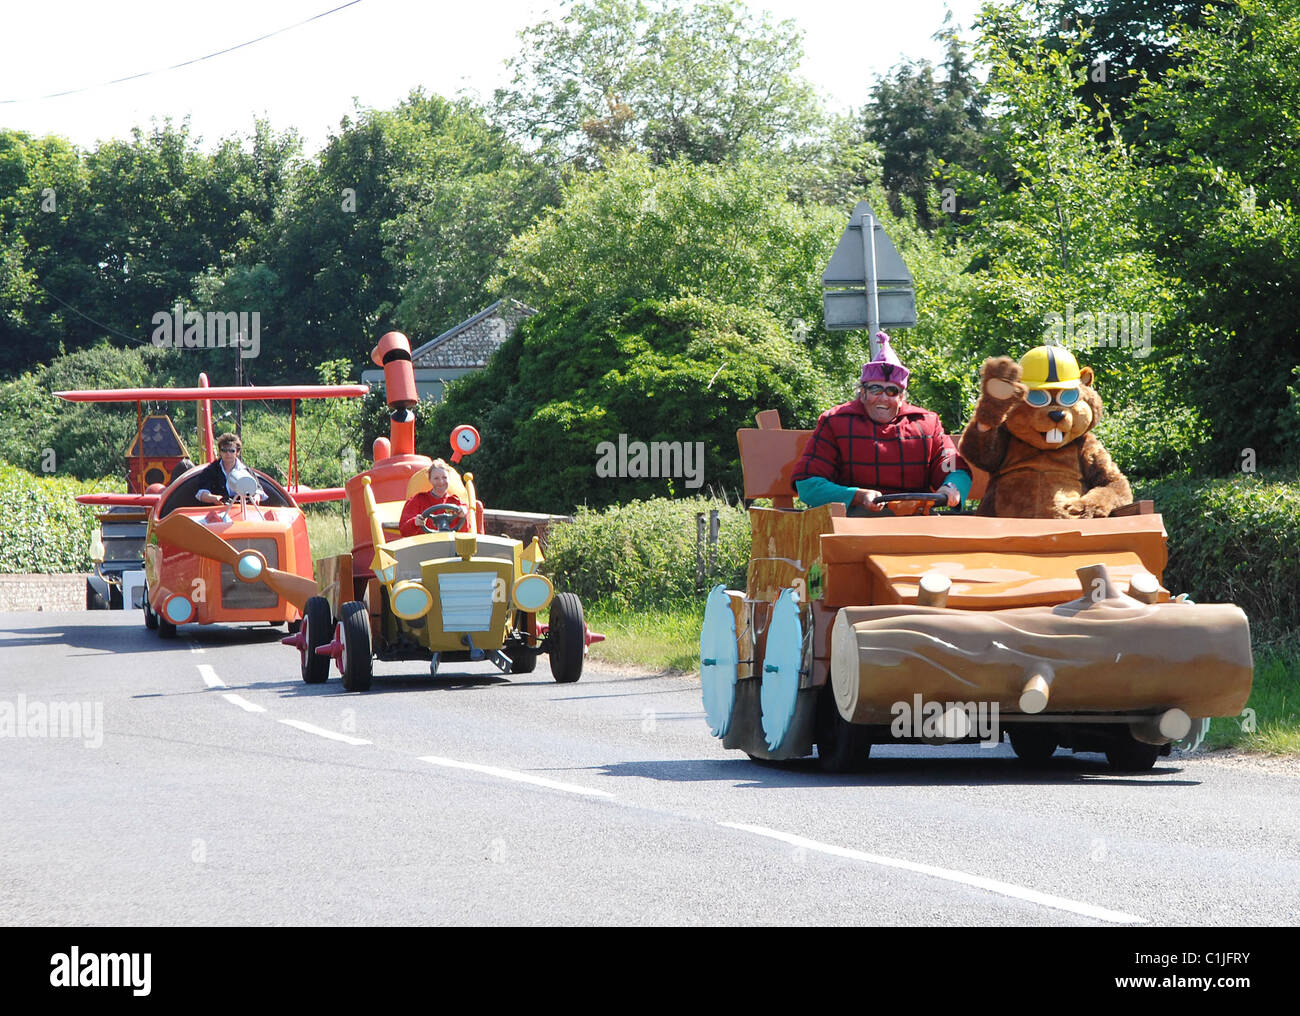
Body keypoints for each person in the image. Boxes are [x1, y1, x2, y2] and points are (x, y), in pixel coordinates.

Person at [793, 333, 972, 513]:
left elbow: (953, 467)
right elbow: (808, 484)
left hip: (916, 520)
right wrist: (858, 496)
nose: (884, 398)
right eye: (875, 389)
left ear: (902, 397)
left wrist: (951, 486)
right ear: (863, 393)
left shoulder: (927, 424)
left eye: (892, 391)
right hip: (852, 520)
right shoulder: (834, 422)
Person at [399, 459, 468, 537]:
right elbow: (404, 531)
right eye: (436, 478)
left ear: (449, 479)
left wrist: (464, 514)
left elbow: (465, 533)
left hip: (450, 544)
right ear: (430, 480)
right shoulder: (418, 500)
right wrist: (415, 522)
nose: (441, 482)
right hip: (424, 545)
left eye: (444, 477)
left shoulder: (456, 502)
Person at [195, 434, 265, 505]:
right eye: (224, 450)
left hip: (243, 510)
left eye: (232, 450)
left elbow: (258, 490)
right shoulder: (210, 471)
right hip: (218, 511)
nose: (228, 453)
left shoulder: (245, 470)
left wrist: (256, 497)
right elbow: (202, 493)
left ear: (237, 452)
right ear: (220, 452)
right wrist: (214, 498)